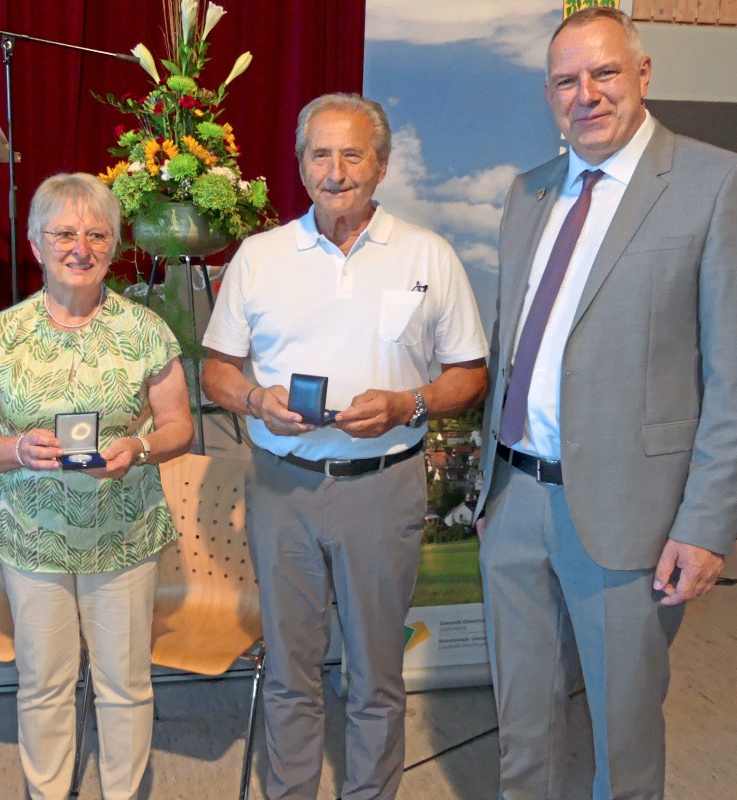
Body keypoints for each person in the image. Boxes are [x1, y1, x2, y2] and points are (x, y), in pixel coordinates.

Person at [476, 8, 737, 799]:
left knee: (625, 737)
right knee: (524, 729)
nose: (587, 94)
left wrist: (706, 524)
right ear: (549, 93)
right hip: (512, 501)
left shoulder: (717, 183)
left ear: (643, 74)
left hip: (629, 515)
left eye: (604, 73)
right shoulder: (527, 193)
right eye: (568, 80)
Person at [201, 94, 489, 800]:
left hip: (382, 488)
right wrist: (254, 399)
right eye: (319, 155)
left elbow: (470, 375)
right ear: (300, 167)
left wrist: (407, 404)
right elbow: (216, 367)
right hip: (281, 486)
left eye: (352, 154)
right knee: (292, 670)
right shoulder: (260, 257)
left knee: (375, 673)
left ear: (381, 165)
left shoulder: (429, 254)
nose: (335, 170)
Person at [0, 172, 194, 800]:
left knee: (124, 681)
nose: (79, 248)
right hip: (34, 540)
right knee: (43, 682)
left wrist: (138, 447)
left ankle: (123, 793)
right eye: (63, 233)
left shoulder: (147, 331)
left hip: (124, 533)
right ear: (36, 243)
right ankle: (47, 791)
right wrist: (16, 448)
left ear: (114, 246)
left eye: (96, 234)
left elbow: (179, 428)